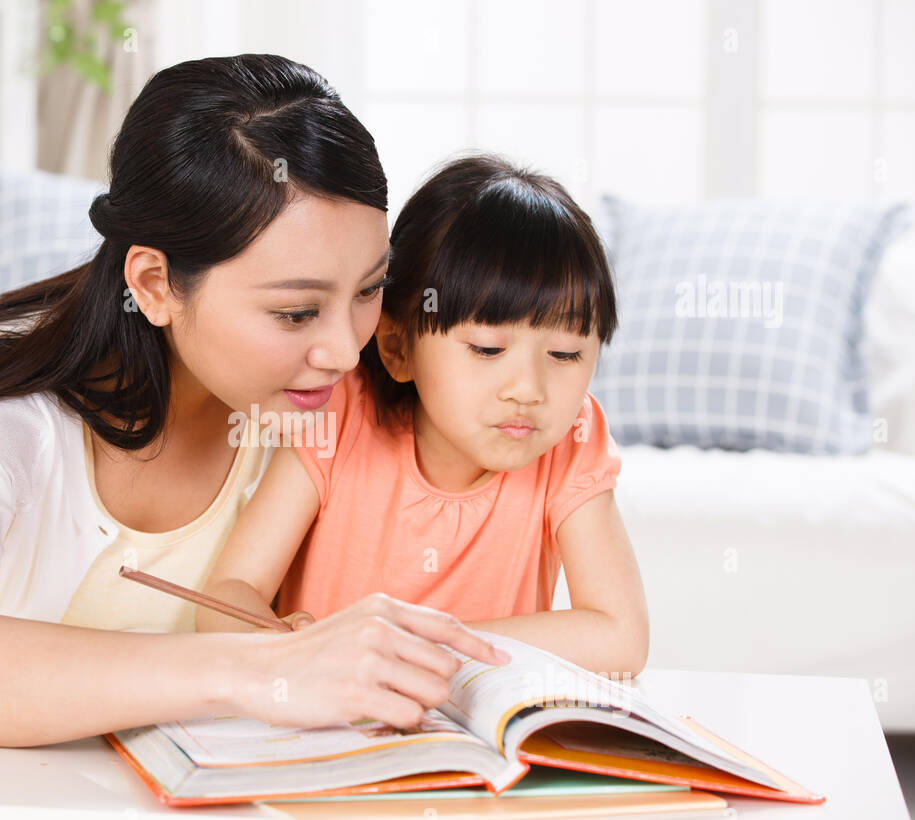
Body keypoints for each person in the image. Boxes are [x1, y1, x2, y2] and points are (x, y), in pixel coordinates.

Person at [0, 55, 509, 747]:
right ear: (153, 283)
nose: (344, 349)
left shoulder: (335, 403)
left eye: (369, 289)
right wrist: (260, 668)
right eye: (297, 312)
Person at [196, 154, 649, 677]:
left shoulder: (571, 438)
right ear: (398, 347)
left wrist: (418, 645)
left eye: (566, 355)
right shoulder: (342, 417)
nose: (529, 390)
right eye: (485, 348)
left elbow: (622, 637)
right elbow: (228, 595)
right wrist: (292, 655)